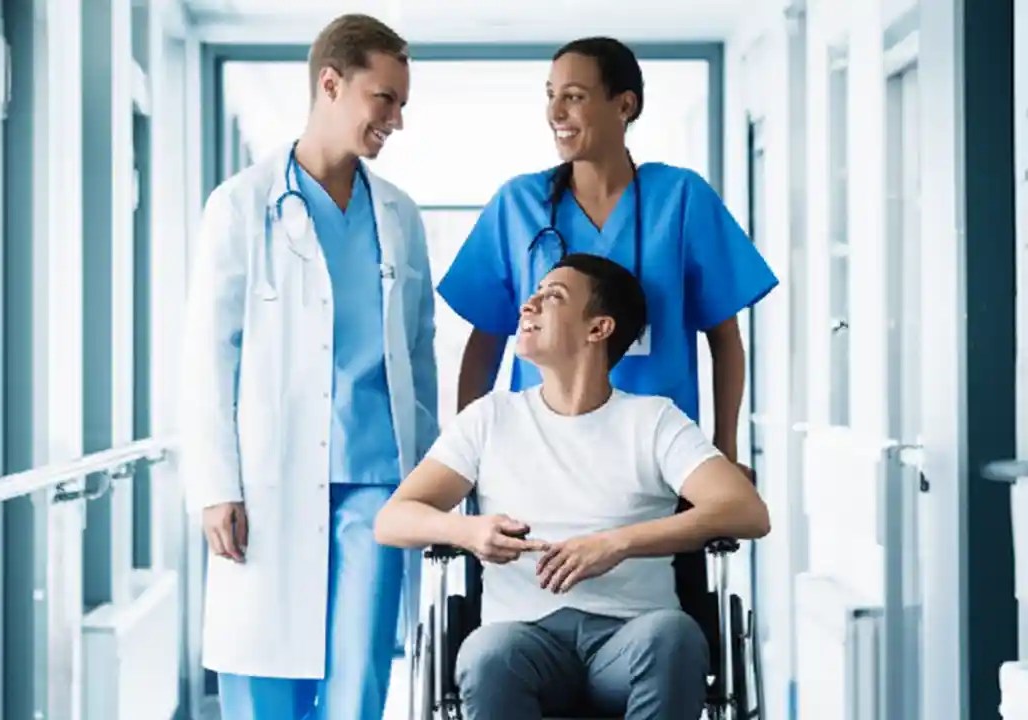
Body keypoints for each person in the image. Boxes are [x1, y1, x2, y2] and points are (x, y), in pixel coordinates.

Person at [374, 253, 771, 720]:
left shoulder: (654, 421)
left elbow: (747, 512)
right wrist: (469, 533)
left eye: (553, 296)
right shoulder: (489, 419)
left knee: (674, 637)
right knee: (487, 654)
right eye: (534, 292)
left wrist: (618, 544)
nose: (530, 304)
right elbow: (392, 520)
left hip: (632, 638)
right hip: (521, 640)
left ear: (598, 328)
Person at [179, 13, 439, 720]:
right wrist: (213, 484)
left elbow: (418, 355)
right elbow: (208, 357)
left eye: (402, 105)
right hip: (270, 478)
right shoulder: (240, 205)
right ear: (331, 83)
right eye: (385, 100)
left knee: (358, 684)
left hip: (380, 484)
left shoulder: (399, 214)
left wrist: (434, 478)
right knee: (266, 686)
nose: (397, 121)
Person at [437, 36, 778, 467]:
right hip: (540, 452)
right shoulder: (520, 204)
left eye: (574, 97)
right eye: (550, 96)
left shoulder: (681, 198)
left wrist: (723, 449)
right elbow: (486, 339)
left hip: (659, 453)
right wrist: (467, 458)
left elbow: (725, 338)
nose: (555, 112)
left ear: (624, 105)